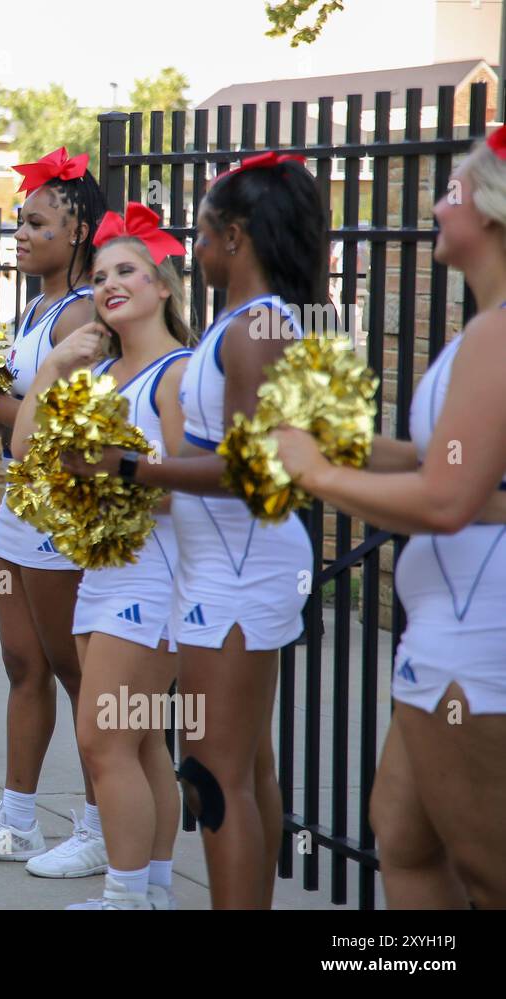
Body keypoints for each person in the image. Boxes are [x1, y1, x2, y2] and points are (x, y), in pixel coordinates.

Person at [55, 153, 326, 908]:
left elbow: (250, 467)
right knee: (238, 767)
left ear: (233, 238)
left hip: (237, 567)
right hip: (218, 570)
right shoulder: (242, 323)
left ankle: (150, 893)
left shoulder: (255, 327)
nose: (195, 247)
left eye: (201, 234)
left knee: (216, 774)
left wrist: (125, 470)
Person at [273, 127, 506, 908]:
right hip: (445, 626)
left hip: (478, 636)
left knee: (487, 869)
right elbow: (443, 461)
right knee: (402, 836)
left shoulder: (499, 333)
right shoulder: (483, 328)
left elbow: (446, 500)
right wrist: (347, 444)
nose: (436, 207)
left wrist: (315, 470)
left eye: (452, 191)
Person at [13, 206, 191, 908]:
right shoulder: (101, 370)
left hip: (155, 573)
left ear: (164, 285)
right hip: (104, 570)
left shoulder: (177, 373)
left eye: (127, 271)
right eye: (99, 276)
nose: (109, 283)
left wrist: (114, 476)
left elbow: (187, 482)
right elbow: (26, 450)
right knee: (140, 741)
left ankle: (124, 894)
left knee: (105, 738)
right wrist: (55, 366)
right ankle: (153, 889)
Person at [0, 148, 108, 869]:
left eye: (36, 222)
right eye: (19, 221)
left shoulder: (85, 312)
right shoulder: (36, 308)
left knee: (78, 671)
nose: (21, 233)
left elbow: (61, 418)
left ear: (76, 232)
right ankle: (15, 821)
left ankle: (103, 829)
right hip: (18, 503)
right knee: (21, 664)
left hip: (63, 507)